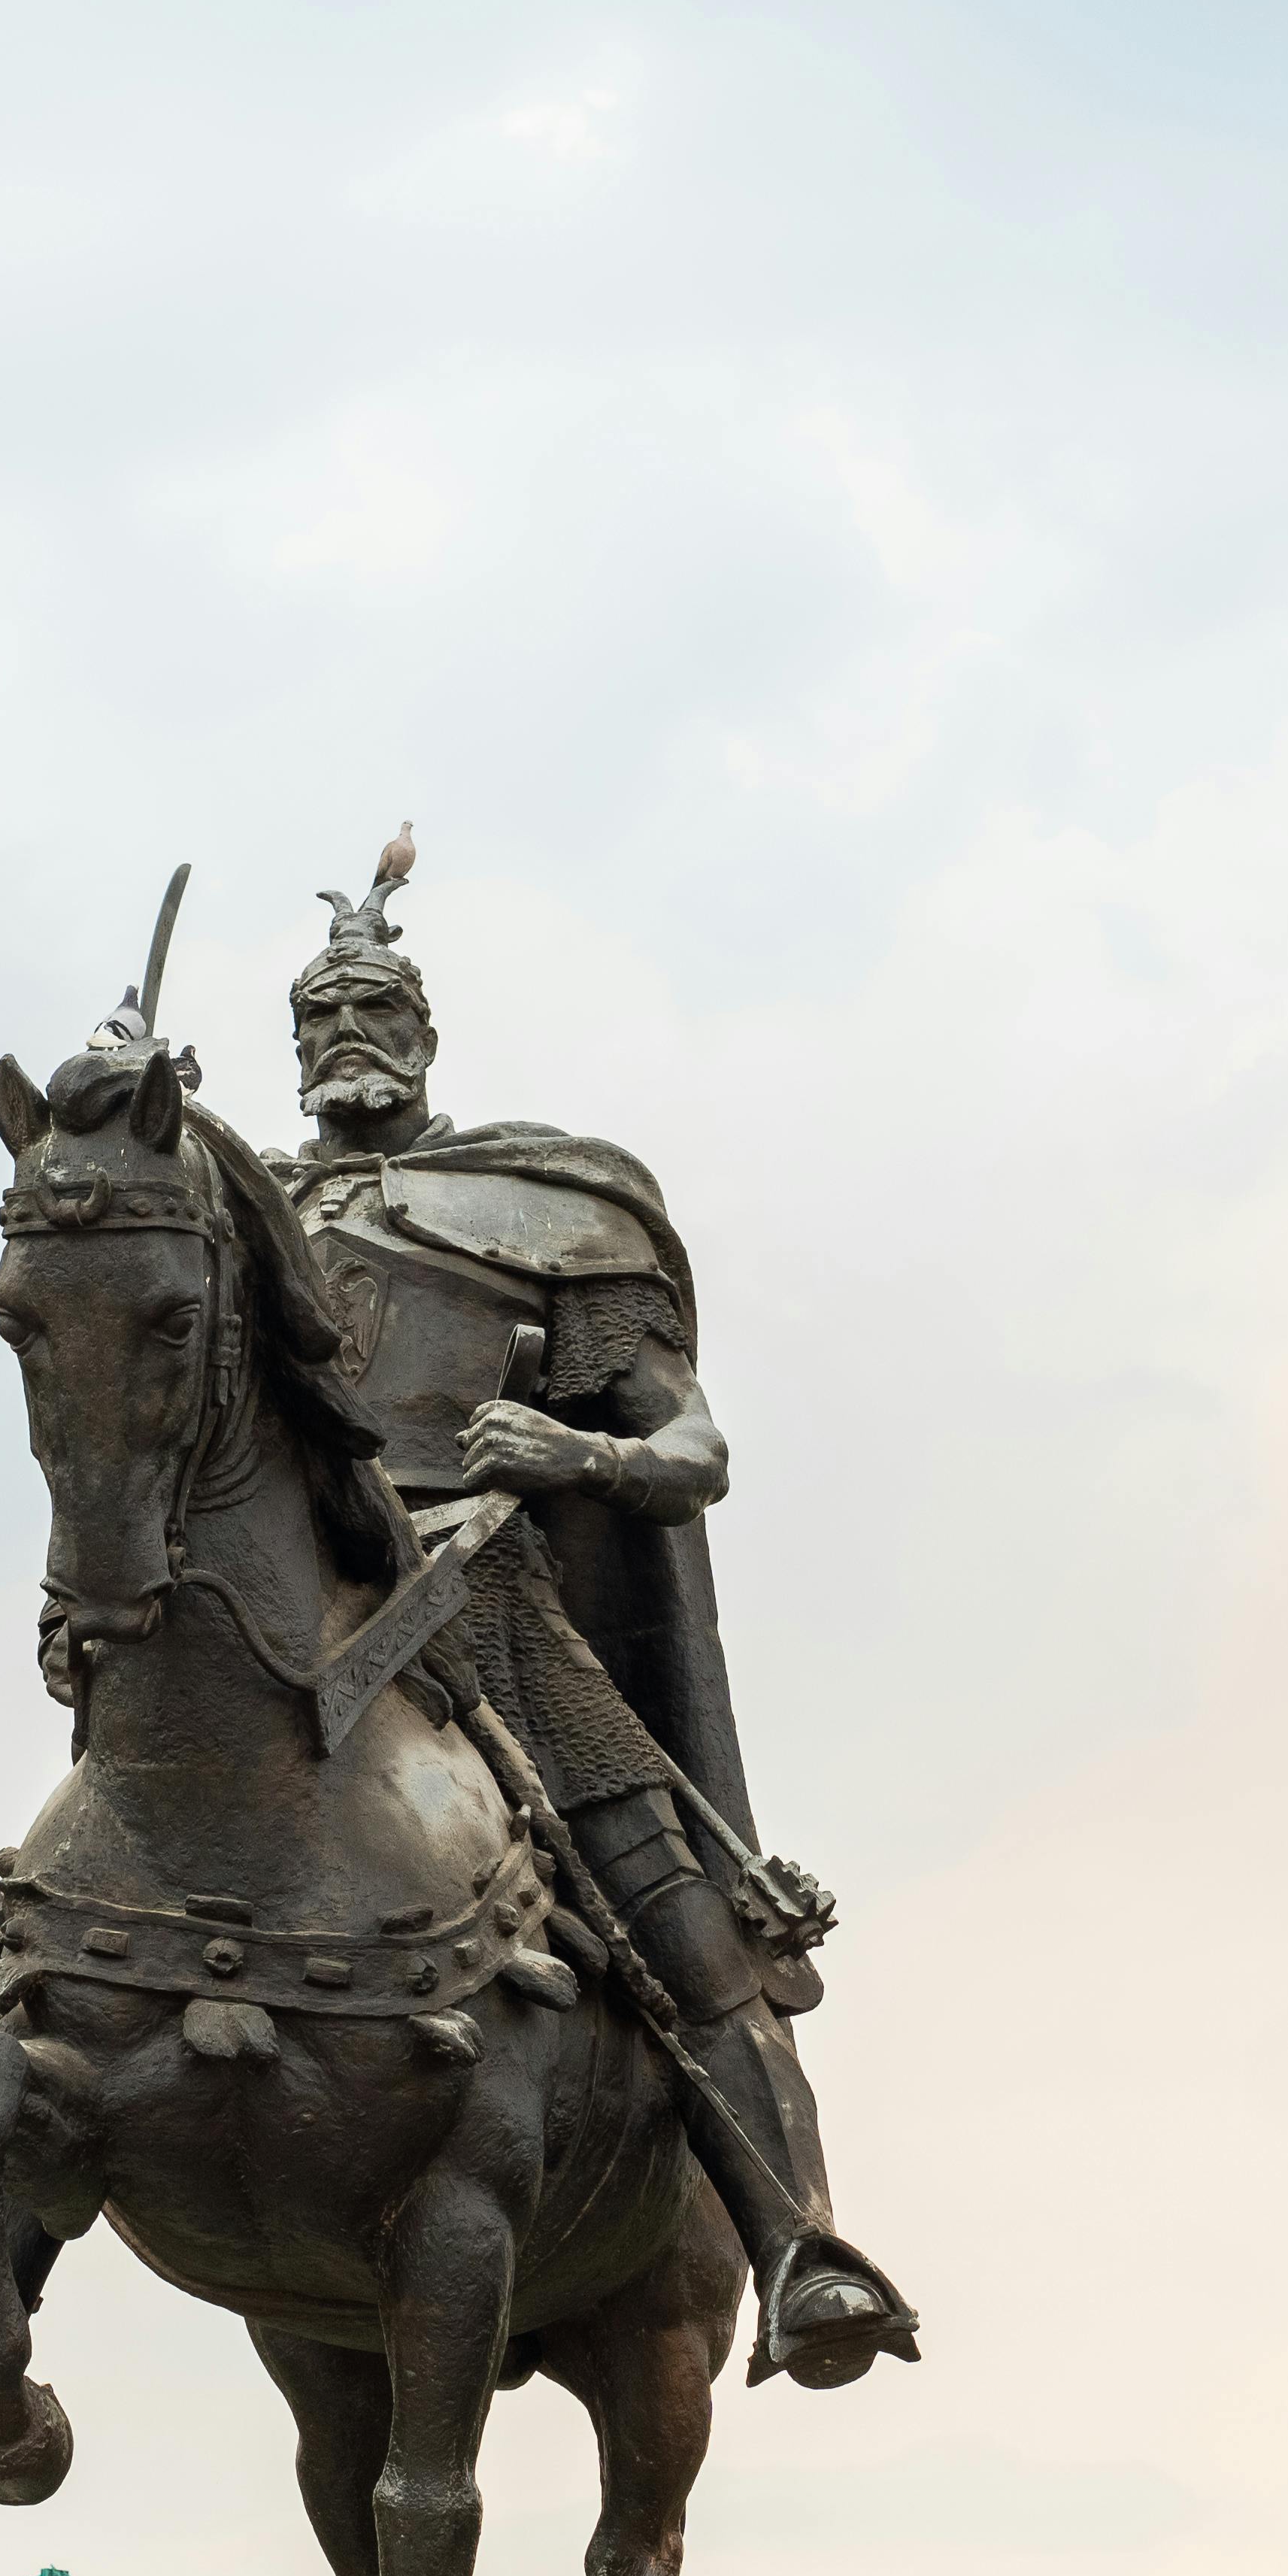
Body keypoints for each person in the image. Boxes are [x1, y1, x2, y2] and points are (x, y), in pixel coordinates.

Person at [273, 837, 917, 2392]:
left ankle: (800, 2245)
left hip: (483, 1602)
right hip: (278, 1621)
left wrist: (575, 1455)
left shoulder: (541, 1206)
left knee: (671, 1912)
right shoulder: (245, 1214)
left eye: (374, 1009)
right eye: (320, 1015)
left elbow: (693, 1448)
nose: (348, 1035)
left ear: (423, 1034)